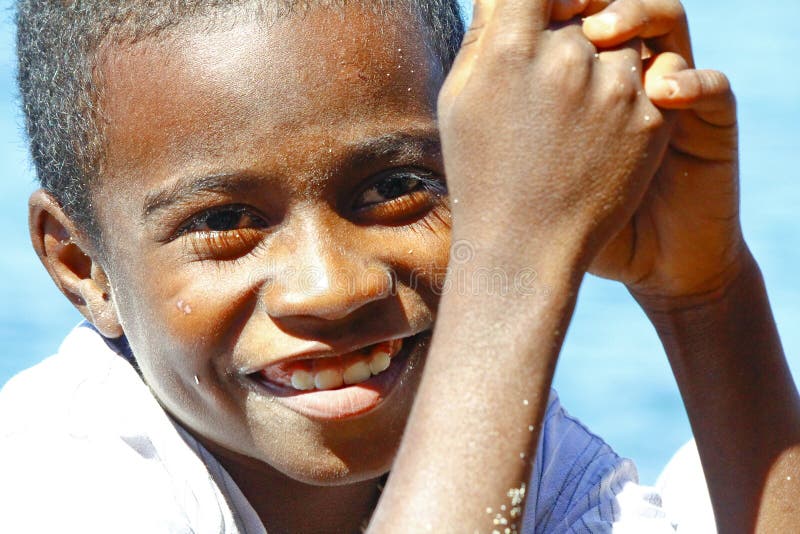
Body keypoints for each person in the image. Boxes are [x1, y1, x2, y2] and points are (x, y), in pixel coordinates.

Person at [1, 0, 797, 532]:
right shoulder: (56, 484)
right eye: (225, 222)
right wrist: (512, 263)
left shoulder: (531, 455)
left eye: (396, 188)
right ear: (81, 266)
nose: (333, 287)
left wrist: (707, 297)